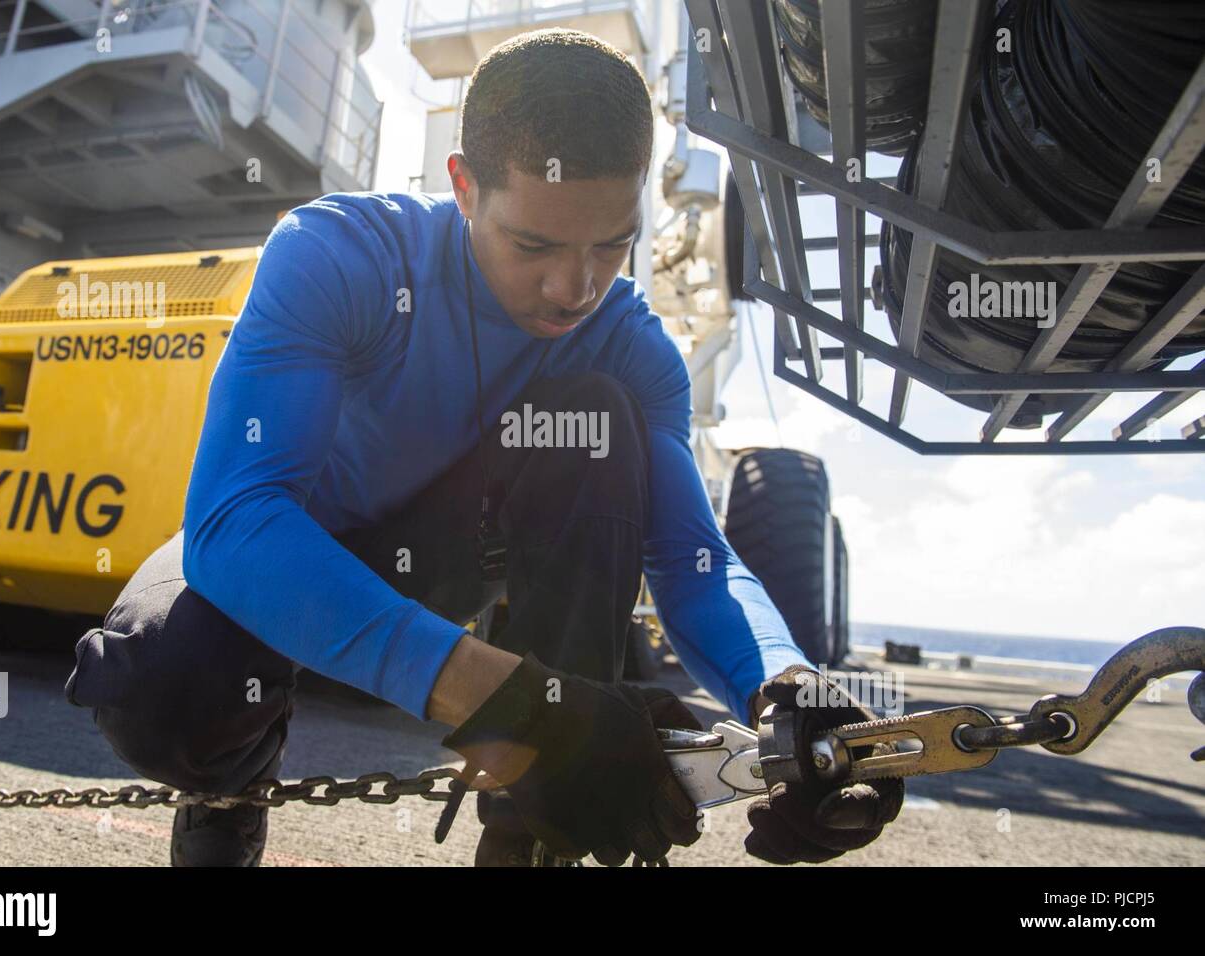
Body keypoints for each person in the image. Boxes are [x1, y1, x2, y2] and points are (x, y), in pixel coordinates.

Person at [64, 27, 903, 867]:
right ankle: (231, 788)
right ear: (463, 187)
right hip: (283, 544)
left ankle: (536, 832)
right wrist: (521, 706)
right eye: (534, 246)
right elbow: (236, 521)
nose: (575, 290)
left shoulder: (632, 347)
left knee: (596, 417)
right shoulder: (338, 257)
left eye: (612, 244)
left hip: (450, 554)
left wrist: (787, 686)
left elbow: (690, 556)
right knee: (159, 686)